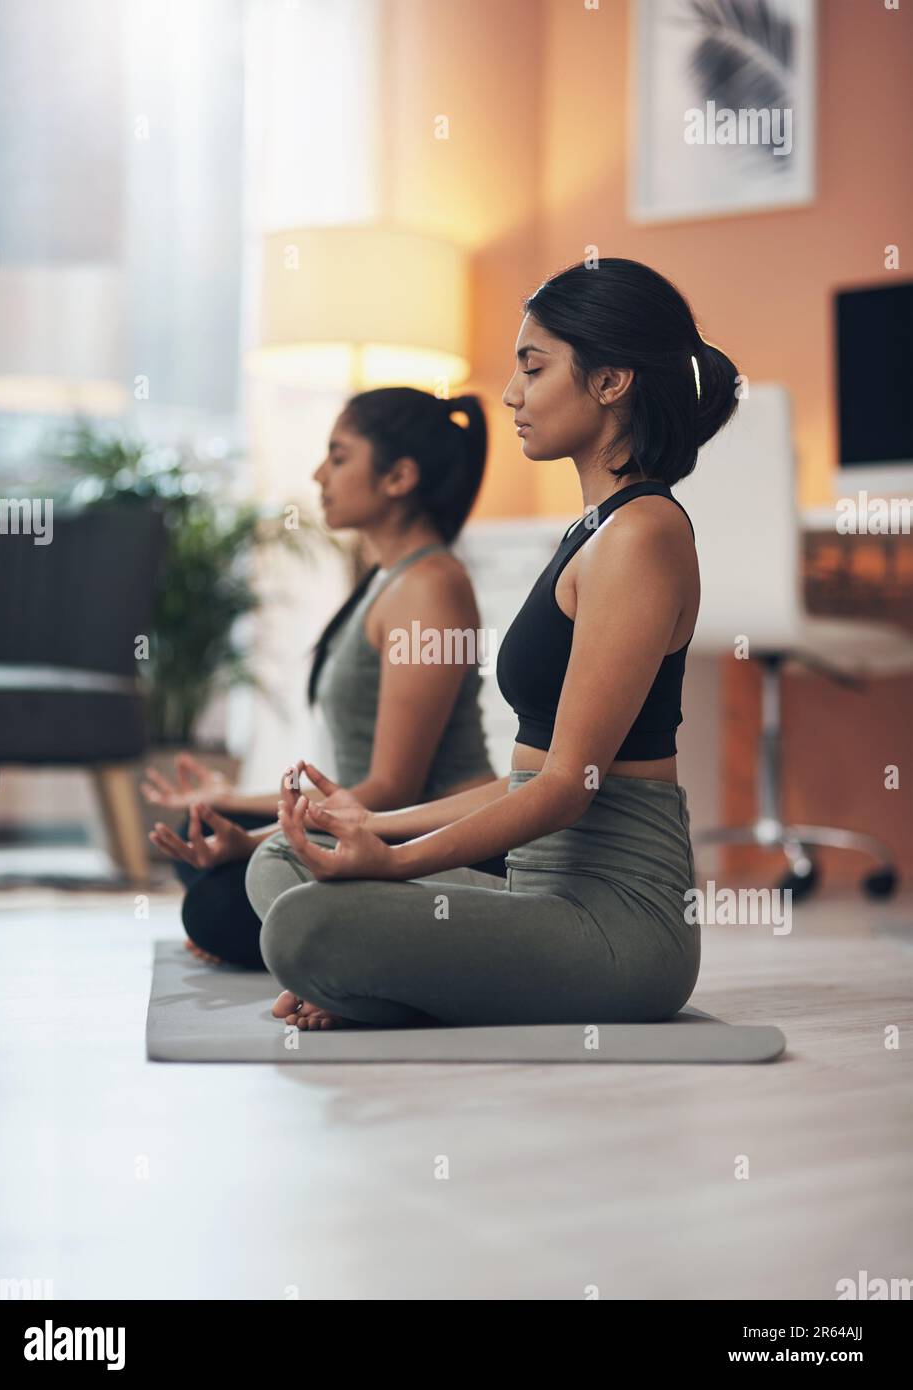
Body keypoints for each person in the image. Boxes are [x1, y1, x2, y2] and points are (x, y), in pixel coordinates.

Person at [244, 256, 741, 1030]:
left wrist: (394, 862)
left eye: (533, 367)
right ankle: (376, 980)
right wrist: (365, 826)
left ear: (610, 381)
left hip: (618, 928)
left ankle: (365, 978)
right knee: (279, 861)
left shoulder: (641, 534)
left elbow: (565, 788)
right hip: (537, 893)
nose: (511, 393)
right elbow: (524, 778)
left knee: (306, 927)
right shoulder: (594, 530)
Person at [145, 387, 499, 968]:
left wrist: (259, 841)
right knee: (203, 833)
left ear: (399, 477)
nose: (319, 475)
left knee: (214, 905)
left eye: (338, 457)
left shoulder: (430, 588)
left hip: (438, 841)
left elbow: (393, 789)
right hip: (374, 822)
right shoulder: (386, 580)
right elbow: (358, 791)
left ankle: (333, 943)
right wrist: (229, 801)